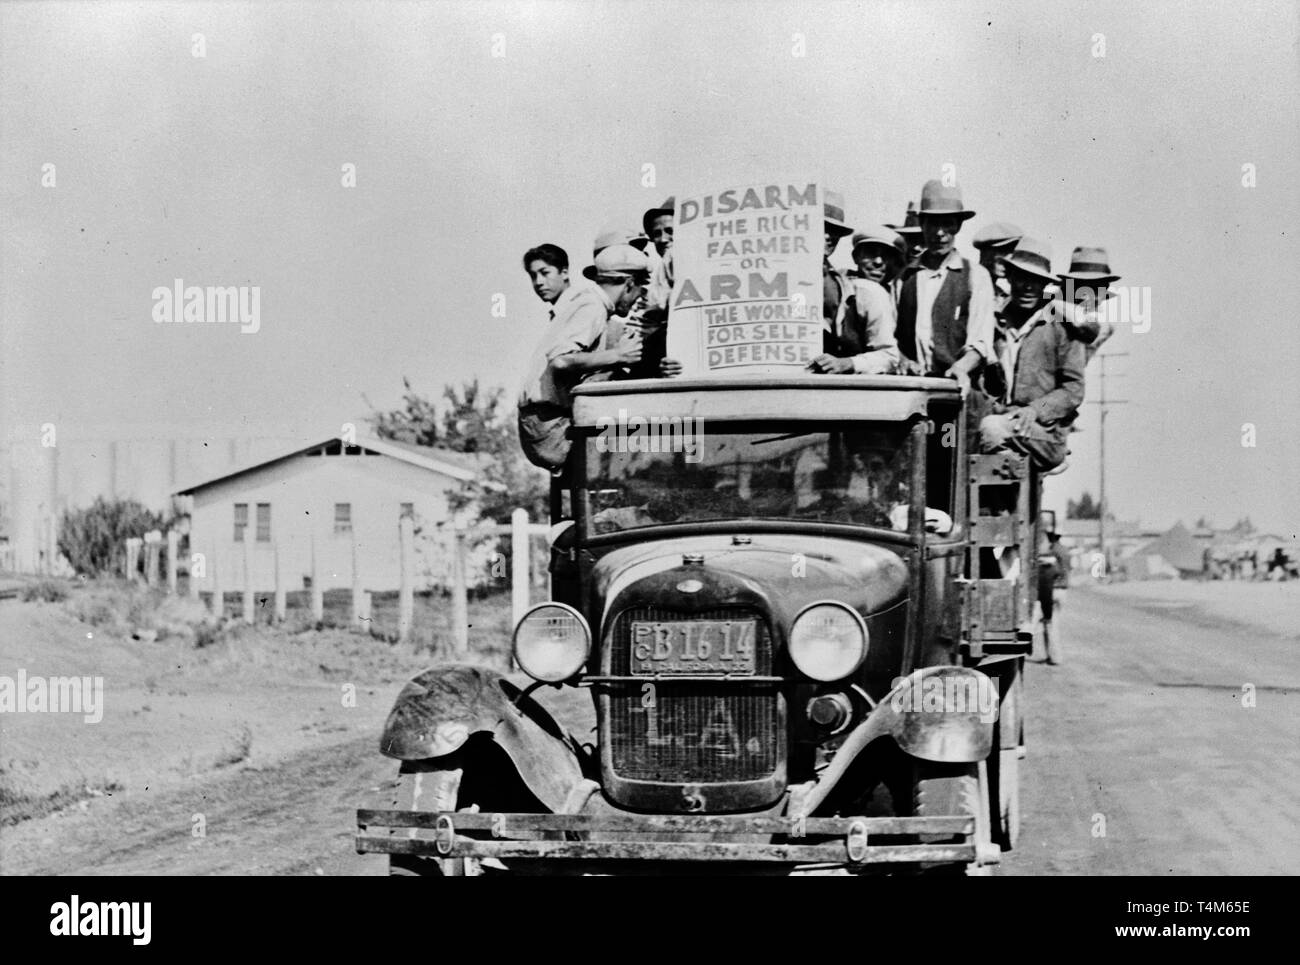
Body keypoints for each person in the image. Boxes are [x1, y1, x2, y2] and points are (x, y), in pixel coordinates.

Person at [517, 243, 648, 472]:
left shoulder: (585, 302)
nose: (638, 299)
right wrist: (619, 355)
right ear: (629, 284)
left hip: (543, 424)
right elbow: (561, 360)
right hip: (550, 427)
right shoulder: (592, 306)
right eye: (640, 290)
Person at [978, 237, 1086, 473]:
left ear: (1043, 285)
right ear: (1009, 278)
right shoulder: (995, 319)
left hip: (1043, 431)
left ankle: (1006, 503)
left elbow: (1073, 390)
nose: (1027, 287)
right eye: (1021, 278)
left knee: (992, 429)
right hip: (1005, 420)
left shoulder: (1061, 327)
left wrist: (1035, 410)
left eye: (1035, 281)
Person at [894, 180, 996, 395]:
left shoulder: (975, 276)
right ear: (922, 224)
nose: (939, 233)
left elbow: (981, 341)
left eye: (947, 224)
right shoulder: (904, 277)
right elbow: (891, 337)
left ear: (958, 225)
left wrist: (961, 367)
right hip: (912, 390)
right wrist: (903, 360)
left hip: (956, 389)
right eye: (932, 224)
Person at [808, 225, 905, 374]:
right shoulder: (842, 283)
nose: (878, 262)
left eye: (887, 256)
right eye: (870, 253)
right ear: (855, 257)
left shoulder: (873, 292)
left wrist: (848, 363)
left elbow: (889, 355)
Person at [1056, 246, 1120, 363]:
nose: (1087, 296)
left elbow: (1082, 322)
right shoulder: (1062, 307)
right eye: (1081, 286)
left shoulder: (1105, 322)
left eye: (1095, 288)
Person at [972, 222, 1022, 314]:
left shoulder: (1002, 295)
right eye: (1003, 250)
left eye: (1013, 252)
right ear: (984, 253)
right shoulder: (965, 285)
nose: (1009, 258)